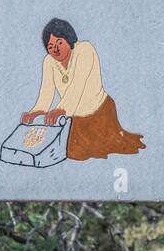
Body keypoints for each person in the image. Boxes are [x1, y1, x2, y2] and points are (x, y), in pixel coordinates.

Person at [21, 17, 145, 160]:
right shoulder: (49, 62)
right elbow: (46, 92)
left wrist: (61, 109)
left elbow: (77, 86)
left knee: (80, 151)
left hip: (99, 113)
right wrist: (37, 112)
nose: (55, 49)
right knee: (65, 150)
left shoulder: (85, 50)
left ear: (69, 39)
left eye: (59, 43)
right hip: (74, 118)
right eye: (50, 46)